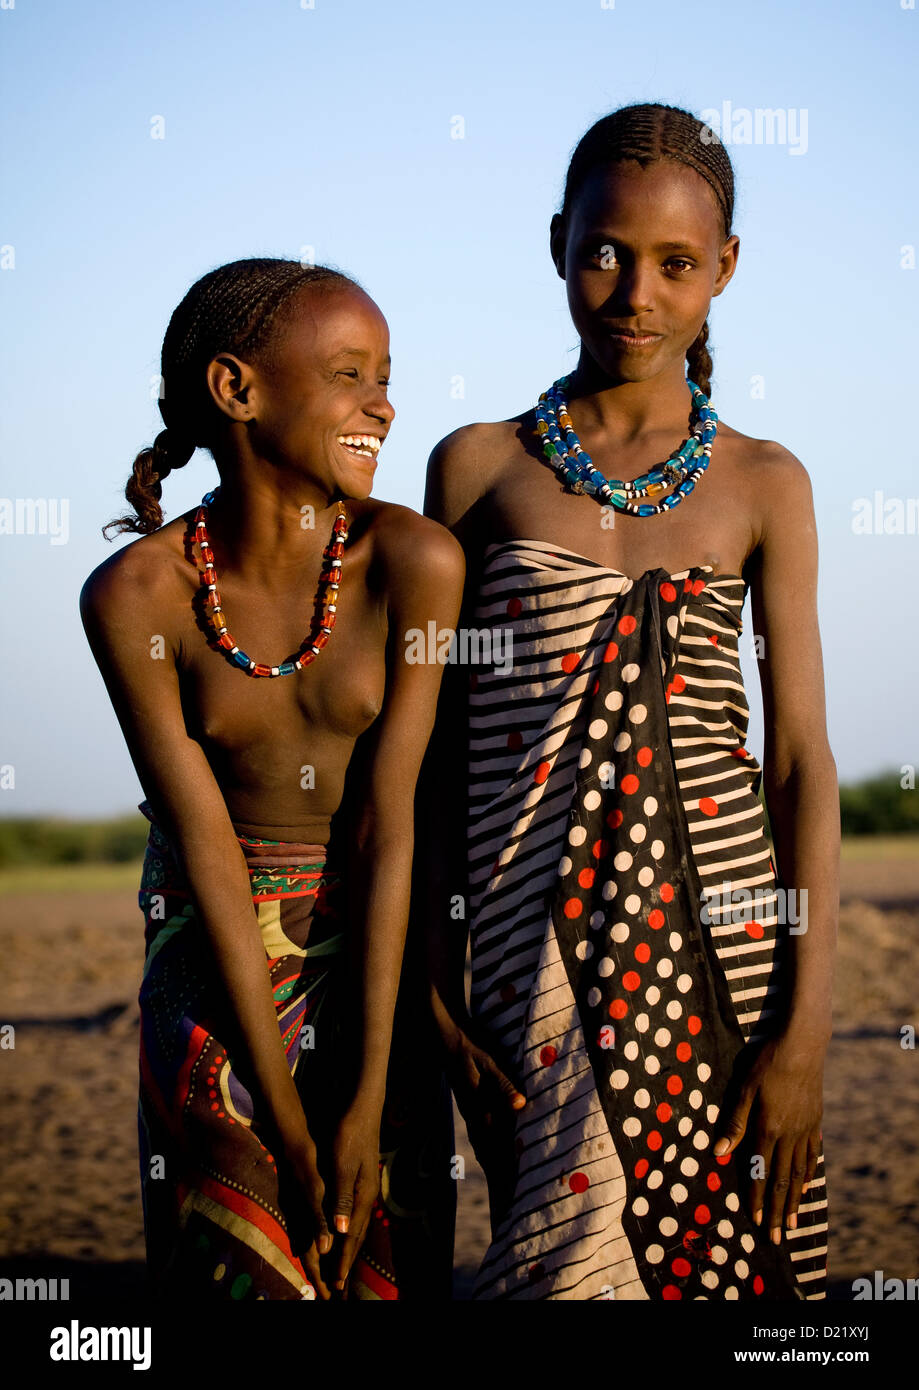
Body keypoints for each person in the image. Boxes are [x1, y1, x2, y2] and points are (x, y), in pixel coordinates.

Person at [420, 103, 837, 1301]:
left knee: (742, 1268)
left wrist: (804, 1034)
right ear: (557, 242)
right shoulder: (476, 468)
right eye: (604, 252)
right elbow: (437, 753)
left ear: (726, 271)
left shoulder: (766, 483)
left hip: (729, 952)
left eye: (675, 265)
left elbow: (800, 761)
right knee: (559, 1265)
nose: (634, 294)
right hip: (524, 951)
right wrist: (441, 995)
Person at [80, 257, 464, 1301]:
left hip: (374, 965)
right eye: (350, 374)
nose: (383, 405)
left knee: (387, 1260)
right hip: (213, 974)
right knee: (238, 1264)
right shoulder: (138, 594)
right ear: (236, 389)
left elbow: (394, 826)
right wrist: (287, 1126)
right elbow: (204, 845)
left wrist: (364, 1089)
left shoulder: (414, 563)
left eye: (386, 374)